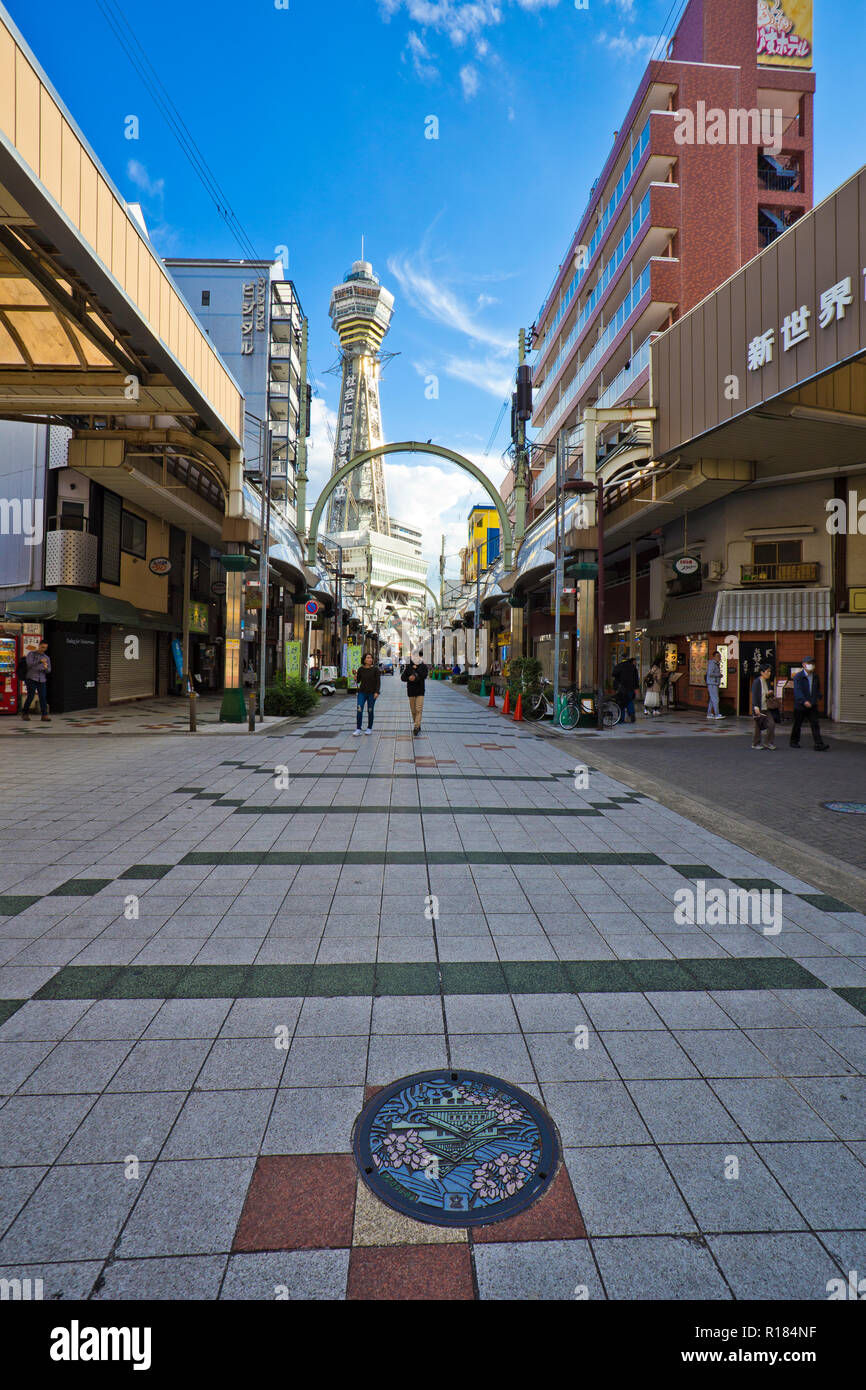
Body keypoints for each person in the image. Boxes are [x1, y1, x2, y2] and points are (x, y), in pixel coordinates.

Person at [790, 657, 829, 751]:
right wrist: (804, 701)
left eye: (812, 663)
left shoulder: (815, 676)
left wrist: (818, 696)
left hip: (812, 704)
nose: (811, 665)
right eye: (809, 663)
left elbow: (817, 688)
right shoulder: (798, 676)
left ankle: (818, 744)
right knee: (797, 724)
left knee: (815, 724)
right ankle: (794, 742)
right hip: (800, 705)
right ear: (803, 664)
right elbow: (797, 691)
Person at [20, 640, 51, 722]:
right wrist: (39, 661)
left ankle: (44, 715)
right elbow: (29, 664)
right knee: (31, 696)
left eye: (45, 648)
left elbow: (49, 670)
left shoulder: (47, 658)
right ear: (39, 645)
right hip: (31, 678)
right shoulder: (31, 654)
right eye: (42, 647)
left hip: (42, 679)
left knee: (43, 697)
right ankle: (25, 713)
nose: (43, 649)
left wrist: (46, 668)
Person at [402, 649, 428, 735]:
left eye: (419, 656)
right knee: (413, 711)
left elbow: (424, 675)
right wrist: (409, 678)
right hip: (411, 691)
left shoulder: (423, 666)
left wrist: (416, 675)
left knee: (418, 709)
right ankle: (417, 723)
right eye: (415, 655)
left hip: (420, 691)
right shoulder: (409, 666)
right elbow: (403, 677)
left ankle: (416, 726)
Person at [353, 651, 379, 735]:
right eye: (368, 658)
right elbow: (358, 680)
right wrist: (355, 676)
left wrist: (377, 692)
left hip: (372, 693)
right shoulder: (361, 669)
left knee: (370, 710)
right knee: (359, 709)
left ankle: (369, 728)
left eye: (371, 658)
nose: (370, 659)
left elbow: (378, 682)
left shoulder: (375, 669)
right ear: (364, 660)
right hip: (362, 692)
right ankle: (358, 728)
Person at [751, 662, 776, 749]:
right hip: (759, 707)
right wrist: (755, 706)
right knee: (758, 726)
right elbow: (754, 695)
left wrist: (770, 693)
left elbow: (767, 695)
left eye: (770, 671)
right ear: (762, 672)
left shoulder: (767, 682)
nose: (769, 673)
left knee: (771, 724)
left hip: (766, 707)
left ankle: (768, 742)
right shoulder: (757, 682)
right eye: (767, 671)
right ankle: (755, 743)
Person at [612, 652, 640, 723]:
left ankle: (621, 718)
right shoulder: (633, 667)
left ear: (622, 658)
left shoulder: (619, 666)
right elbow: (636, 678)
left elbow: (614, 674)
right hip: (630, 688)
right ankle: (632, 714)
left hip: (621, 688)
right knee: (629, 701)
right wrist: (636, 688)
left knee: (621, 703)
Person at [705, 649, 723, 719]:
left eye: (719, 656)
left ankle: (709, 713)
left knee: (712, 699)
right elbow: (710, 673)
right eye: (717, 656)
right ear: (714, 657)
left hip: (714, 683)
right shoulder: (712, 664)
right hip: (712, 683)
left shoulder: (716, 664)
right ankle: (717, 714)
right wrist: (719, 675)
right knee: (715, 699)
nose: (719, 657)